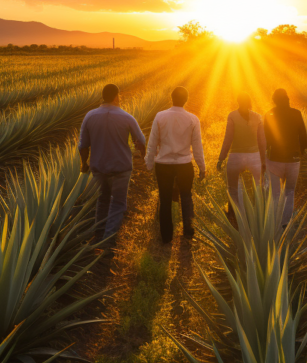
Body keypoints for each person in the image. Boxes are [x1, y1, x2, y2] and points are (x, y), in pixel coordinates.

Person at [79, 83, 146, 240]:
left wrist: (84, 163)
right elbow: (141, 141)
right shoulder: (126, 117)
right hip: (120, 169)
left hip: (98, 168)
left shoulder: (90, 116)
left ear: (103, 96)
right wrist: (142, 155)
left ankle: (99, 234)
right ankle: (108, 240)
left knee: (102, 201)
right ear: (117, 96)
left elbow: (83, 145)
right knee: (118, 204)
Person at [145, 86, 206, 243]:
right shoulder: (193, 119)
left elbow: (152, 143)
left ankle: (166, 236)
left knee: (165, 198)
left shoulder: (160, 116)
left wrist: (149, 163)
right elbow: (197, 146)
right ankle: (188, 231)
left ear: (171, 98)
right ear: (186, 100)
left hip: (163, 164)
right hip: (184, 164)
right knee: (186, 196)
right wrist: (201, 167)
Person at [217, 92, 266, 218]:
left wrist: (221, 158)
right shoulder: (258, 117)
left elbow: (228, 139)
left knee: (232, 187)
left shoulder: (232, 116)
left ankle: (234, 214)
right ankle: (259, 213)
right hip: (254, 157)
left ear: (238, 102)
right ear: (249, 102)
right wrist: (264, 161)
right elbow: (262, 141)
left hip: (236, 156)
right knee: (259, 186)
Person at [263, 88, 307, 226]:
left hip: (275, 159)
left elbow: (266, 139)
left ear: (274, 100)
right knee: (289, 191)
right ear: (287, 98)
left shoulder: (269, 114)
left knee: (275, 193)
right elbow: (304, 138)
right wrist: (300, 152)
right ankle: (285, 222)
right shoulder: (296, 113)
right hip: (293, 160)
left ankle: (275, 221)